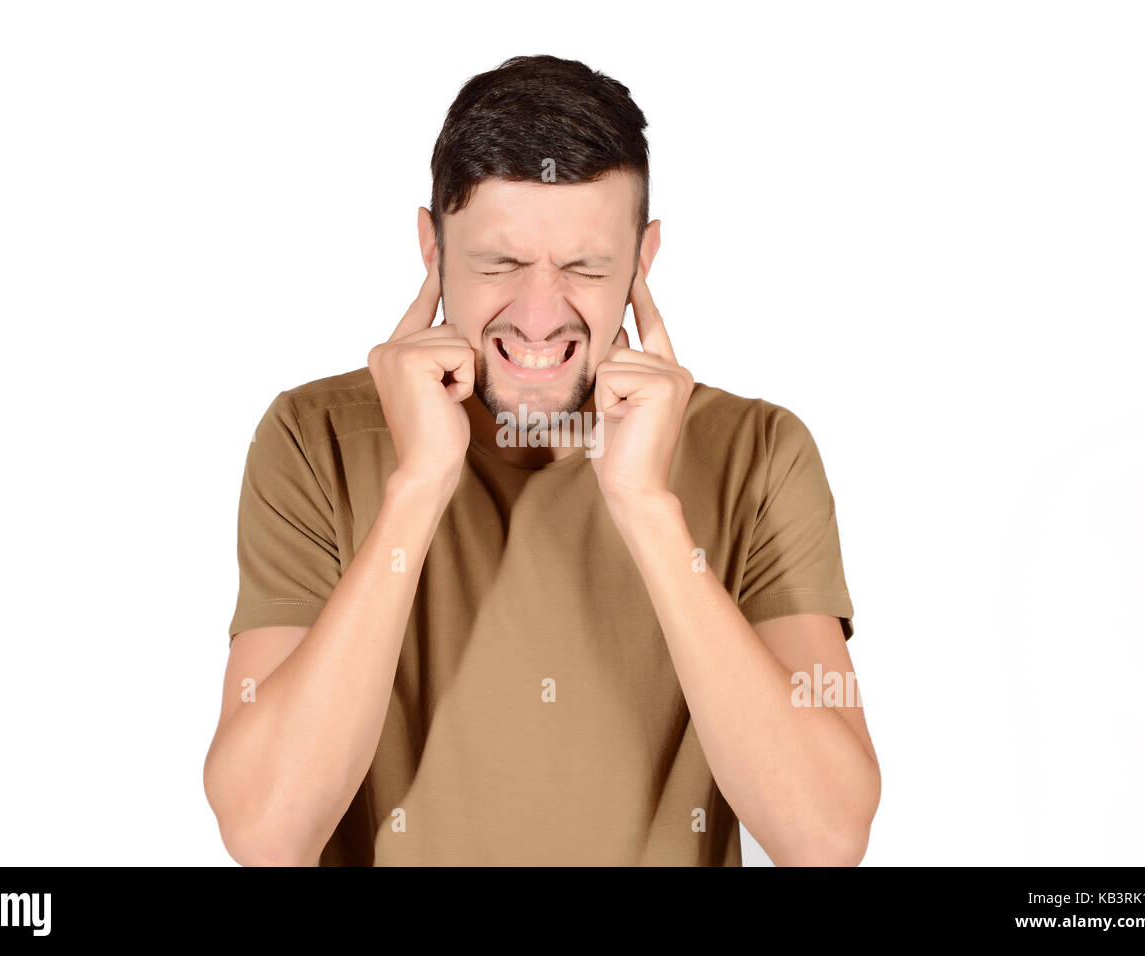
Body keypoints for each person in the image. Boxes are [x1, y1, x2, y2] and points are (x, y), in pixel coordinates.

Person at [203, 54, 880, 866]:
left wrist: (647, 508)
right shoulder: (313, 438)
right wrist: (416, 485)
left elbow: (827, 838)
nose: (537, 315)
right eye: (500, 265)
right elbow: (266, 832)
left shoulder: (759, 451)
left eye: (585, 268)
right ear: (431, 248)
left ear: (642, 262)